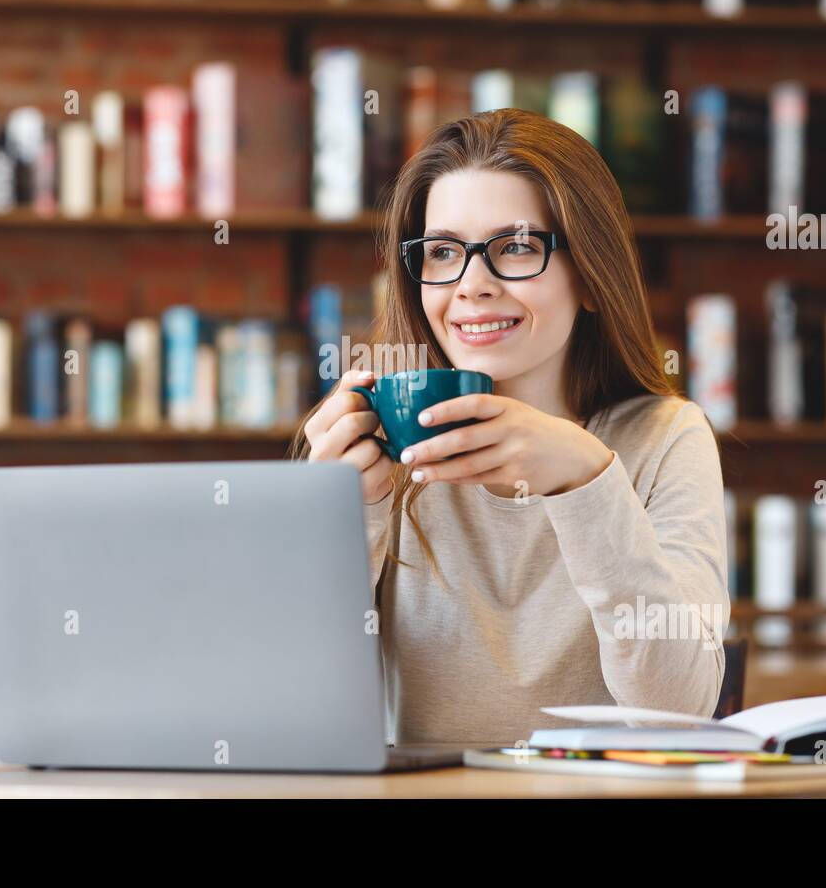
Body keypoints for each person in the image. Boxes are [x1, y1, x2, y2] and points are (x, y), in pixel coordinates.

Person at [293, 108, 729, 745]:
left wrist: (586, 480)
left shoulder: (667, 438)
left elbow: (678, 710)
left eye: (517, 247)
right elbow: (297, 706)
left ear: (590, 277)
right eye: (442, 252)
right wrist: (338, 517)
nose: (471, 286)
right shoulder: (378, 450)